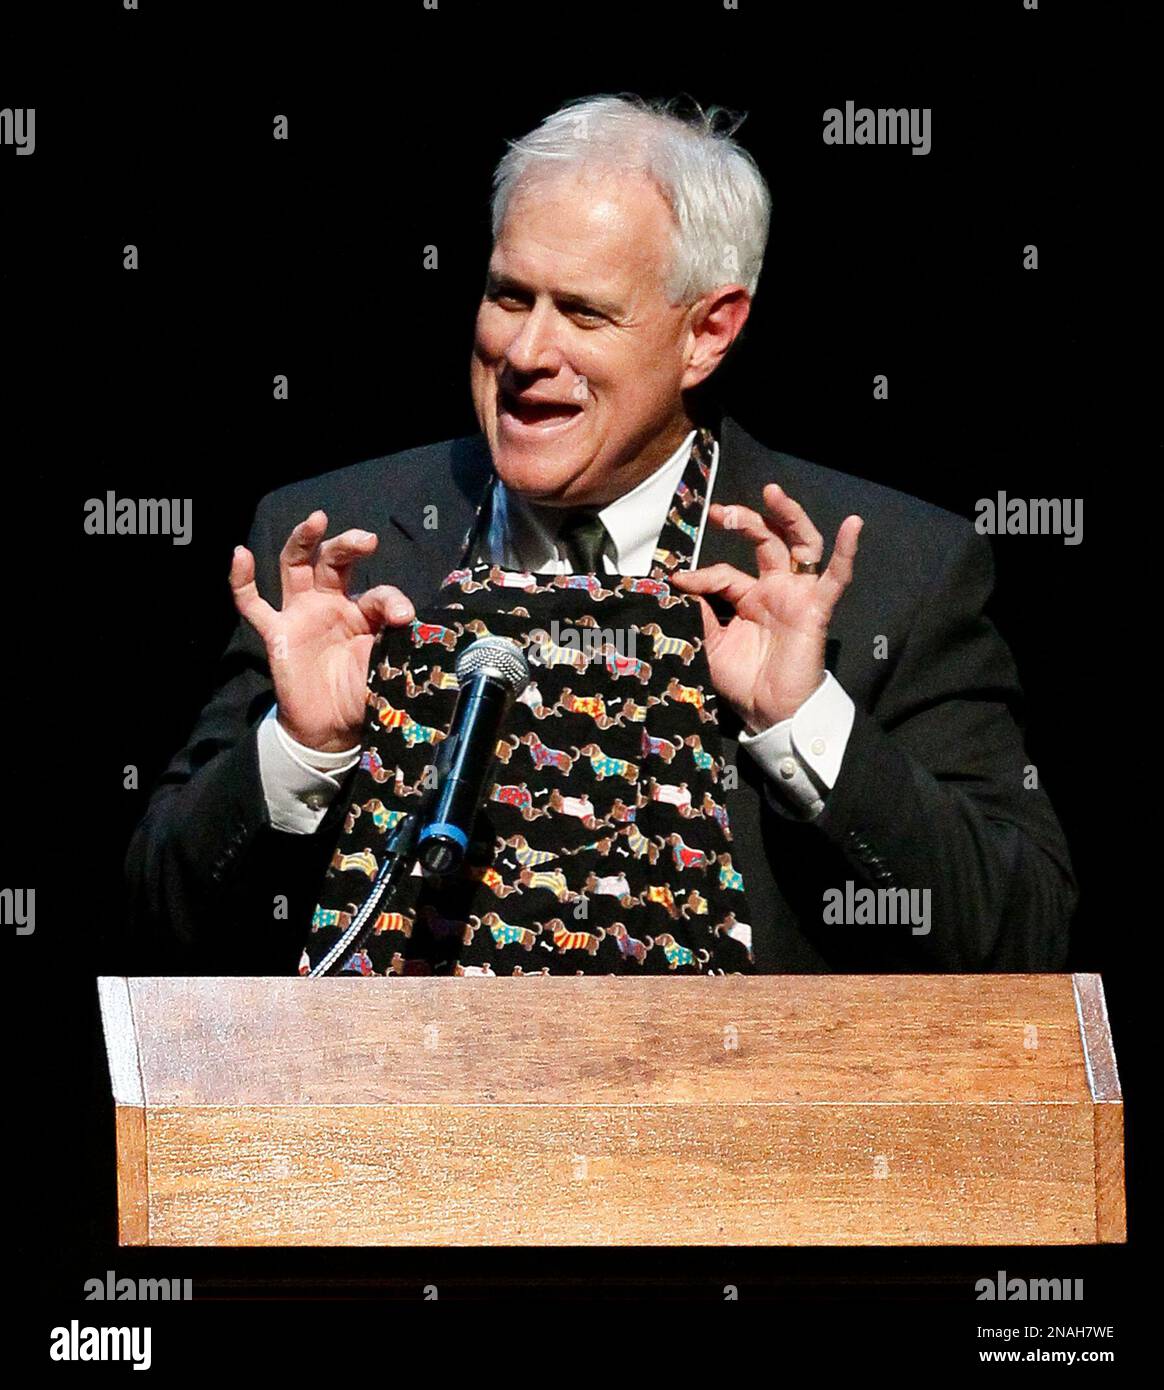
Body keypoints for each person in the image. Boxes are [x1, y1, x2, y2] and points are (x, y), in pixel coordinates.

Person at [125, 94, 1076, 975]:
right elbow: (158, 914)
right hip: (404, 1136)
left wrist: (803, 722)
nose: (528, 353)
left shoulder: (895, 573)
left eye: (583, 312)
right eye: (508, 296)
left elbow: (1025, 931)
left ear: (709, 331)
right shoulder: (342, 542)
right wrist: (300, 744)